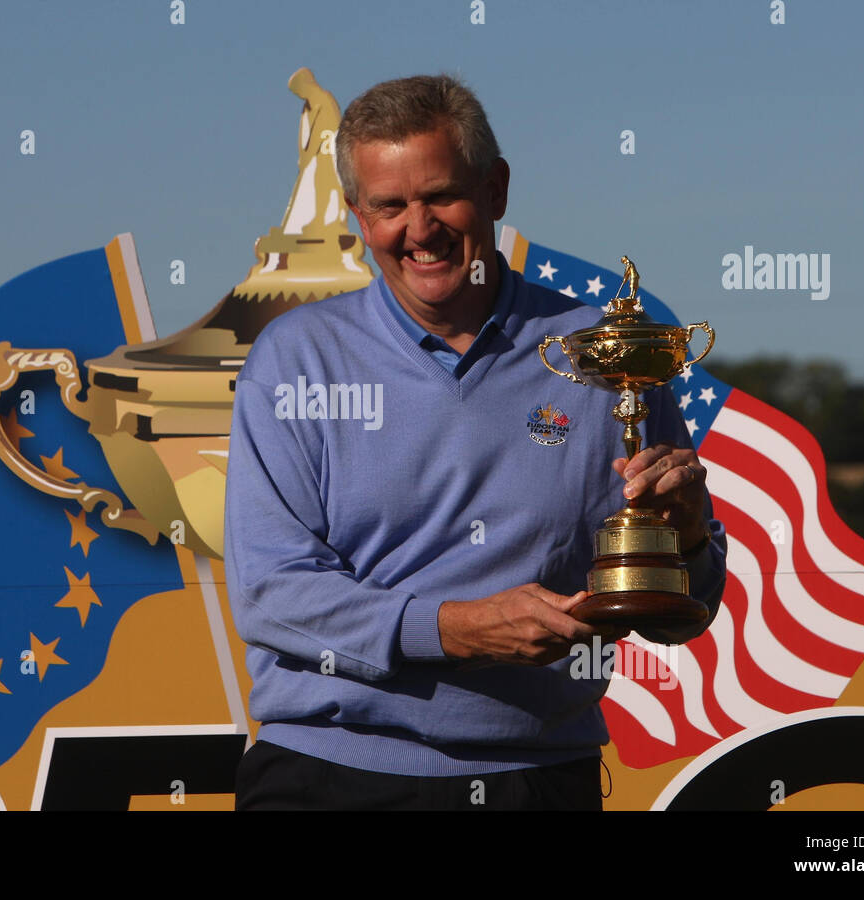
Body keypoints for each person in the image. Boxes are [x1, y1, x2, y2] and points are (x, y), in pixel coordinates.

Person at [223, 74, 727, 810]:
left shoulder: (607, 352)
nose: (418, 229)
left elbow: (692, 608)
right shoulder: (296, 360)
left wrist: (684, 541)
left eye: (441, 197)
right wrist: (454, 630)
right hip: (327, 779)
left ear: (496, 191)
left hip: (536, 778)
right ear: (358, 215)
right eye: (389, 206)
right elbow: (271, 595)